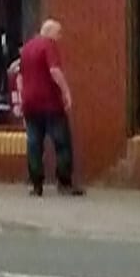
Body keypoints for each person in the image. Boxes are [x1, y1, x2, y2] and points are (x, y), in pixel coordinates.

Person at [18, 20, 83, 197]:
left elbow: (20, 76)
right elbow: (54, 70)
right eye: (58, 33)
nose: (60, 37)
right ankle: (64, 182)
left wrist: (21, 98)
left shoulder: (27, 48)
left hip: (30, 103)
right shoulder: (48, 45)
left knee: (34, 143)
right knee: (62, 142)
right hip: (50, 102)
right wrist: (66, 92)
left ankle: (36, 184)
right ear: (49, 32)